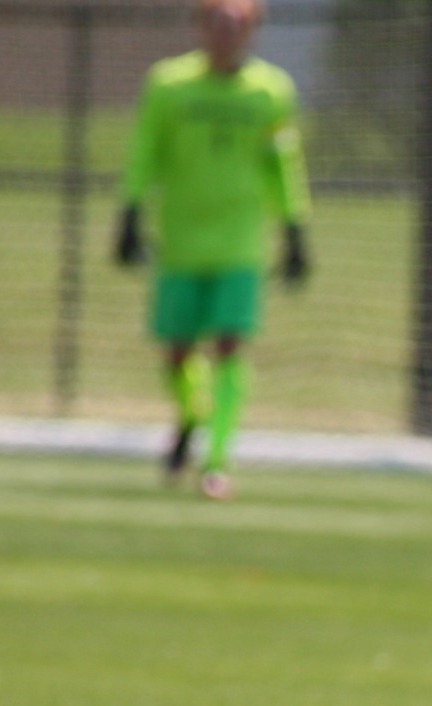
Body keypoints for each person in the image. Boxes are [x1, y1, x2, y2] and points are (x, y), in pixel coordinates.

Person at [114, 0, 310, 500]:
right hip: (181, 241)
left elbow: (282, 163)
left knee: (229, 344)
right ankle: (194, 413)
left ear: (252, 31)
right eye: (218, 25)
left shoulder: (271, 91)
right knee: (178, 351)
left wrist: (295, 230)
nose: (227, 35)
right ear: (200, 27)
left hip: (240, 242)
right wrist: (130, 213)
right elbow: (145, 150)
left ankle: (216, 461)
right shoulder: (169, 85)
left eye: (238, 26)